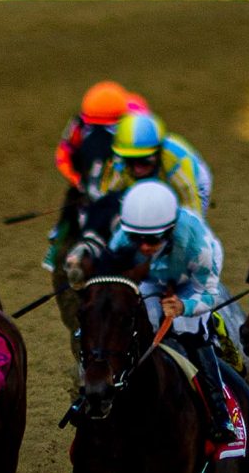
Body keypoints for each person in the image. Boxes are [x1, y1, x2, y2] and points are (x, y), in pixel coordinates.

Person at [100, 180, 239, 445]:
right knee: (136, 322)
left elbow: (209, 293)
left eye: (151, 239)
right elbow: (109, 278)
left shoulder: (200, 246)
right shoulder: (121, 240)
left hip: (190, 281)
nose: (143, 246)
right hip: (151, 278)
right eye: (136, 238)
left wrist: (183, 306)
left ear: (171, 229)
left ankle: (219, 413)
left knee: (190, 326)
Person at [46, 81, 148, 271]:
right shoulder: (79, 124)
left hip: (123, 176)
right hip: (88, 175)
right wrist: (77, 181)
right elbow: (64, 153)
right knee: (73, 199)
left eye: (109, 126)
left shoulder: (136, 123)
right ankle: (59, 237)